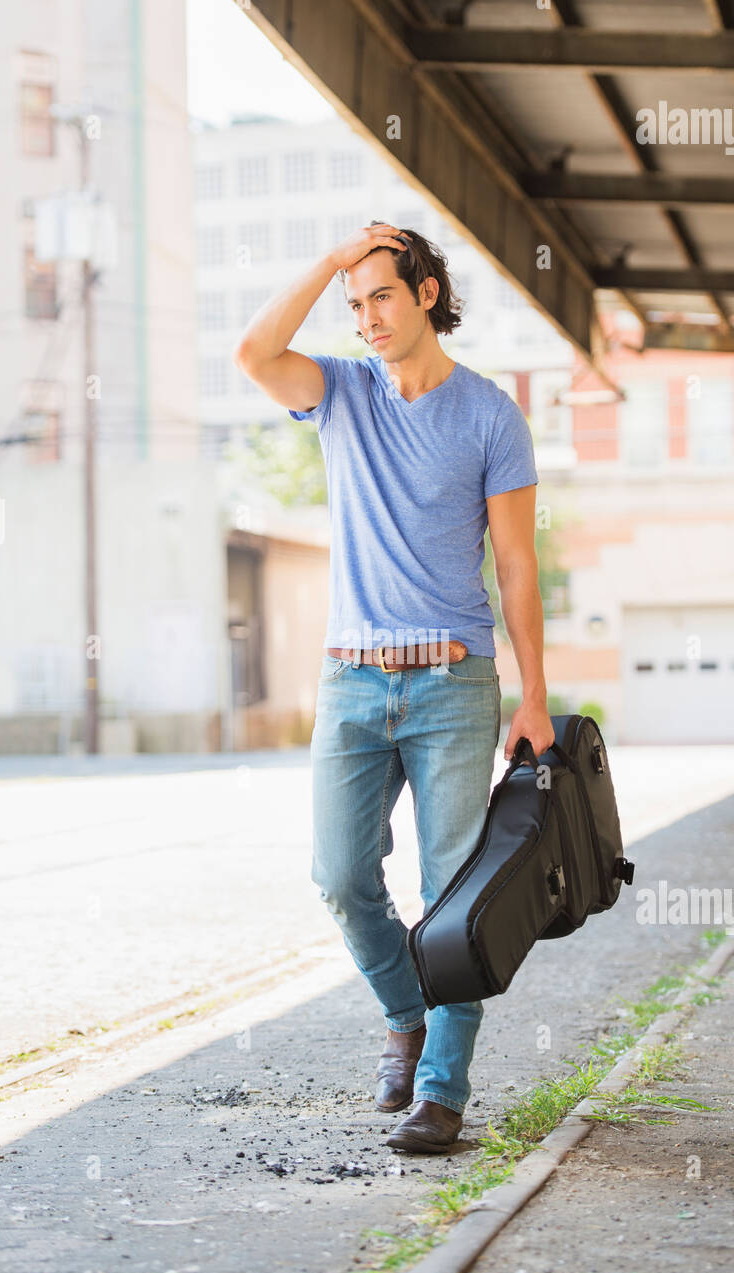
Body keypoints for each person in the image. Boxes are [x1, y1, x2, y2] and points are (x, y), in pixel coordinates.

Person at [234, 222, 554, 1154]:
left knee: (454, 894)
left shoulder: (492, 414)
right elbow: (254, 352)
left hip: (454, 684)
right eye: (354, 301)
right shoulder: (340, 394)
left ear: (424, 294)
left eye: (381, 295)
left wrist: (534, 697)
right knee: (340, 877)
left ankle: (442, 1093)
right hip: (352, 681)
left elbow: (517, 568)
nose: (367, 317)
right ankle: (403, 1014)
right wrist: (330, 257)